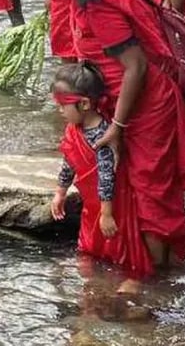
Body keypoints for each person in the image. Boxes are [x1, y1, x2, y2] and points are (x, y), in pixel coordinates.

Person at [41, 0, 185, 278]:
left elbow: (135, 66)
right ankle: (151, 266)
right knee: (141, 186)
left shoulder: (98, 4)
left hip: (141, 105)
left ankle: (154, 277)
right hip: (132, 97)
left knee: (148, 190)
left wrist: (119, 126)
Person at [50, 62, 150, 294]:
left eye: (63, 105)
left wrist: (107, 213)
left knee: (116, 243)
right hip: (91, 205)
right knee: (90, 246)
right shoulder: (75, 130)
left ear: (84, 104)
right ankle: (96, 282)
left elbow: (106, 176)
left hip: (110, 205)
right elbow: (69, 163)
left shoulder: (102, 137)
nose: (60, 111)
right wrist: (60, 192)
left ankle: (127, 282)